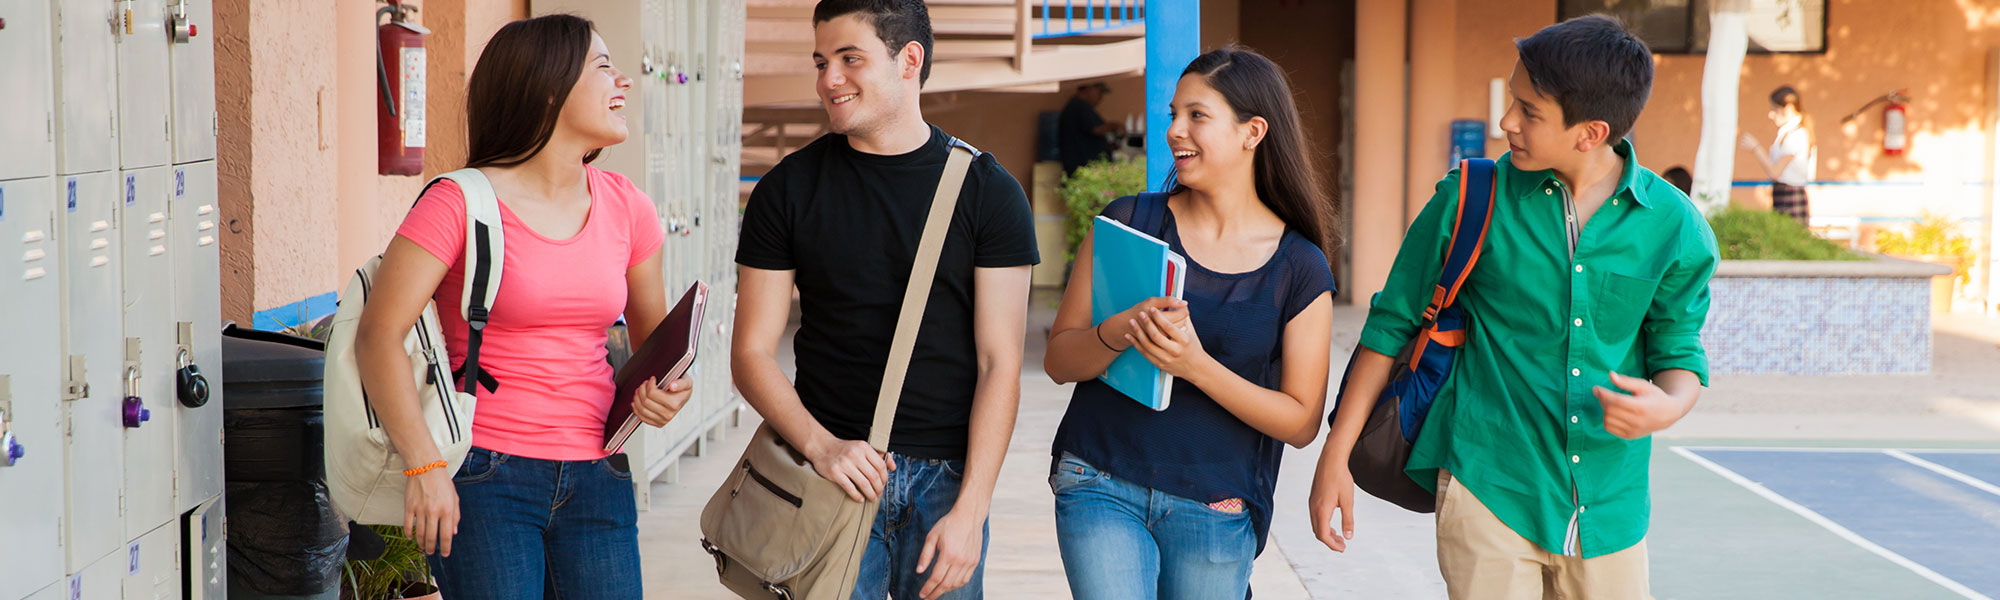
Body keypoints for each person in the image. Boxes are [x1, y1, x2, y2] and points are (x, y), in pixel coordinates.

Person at [1309, 16, 1718, 600]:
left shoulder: (1677, 229)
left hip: (1610, 498)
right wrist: (1336, 456)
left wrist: (1669, 405)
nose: (1506, 123)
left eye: (1529, 112)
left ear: (1590, 132)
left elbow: (1678, 348)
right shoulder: (1470, 197)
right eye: (1511, 102)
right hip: (1487, 480)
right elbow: (1390, 324)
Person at [356, 14, 691, 600]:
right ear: (547, 88)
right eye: (603, 66)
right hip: (485, 475)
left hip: (598, 473)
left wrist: (661, 394)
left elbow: (654, 348)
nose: (624, 82)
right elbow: (378, 336)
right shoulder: (459, 200)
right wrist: (424, 465)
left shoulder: (628, 208)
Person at [729, 1, 1039, 598]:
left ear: (909, 60)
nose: (828, 80)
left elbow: (1000, 364)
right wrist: (820, 447)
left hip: (947, 483)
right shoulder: (786, 190)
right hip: (826, 476)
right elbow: (751, 353)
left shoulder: (989, 192)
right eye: (821, 62)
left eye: (850, 59)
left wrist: (971, 511)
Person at [1042, 46, 1336, 599]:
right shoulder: (1129, 221)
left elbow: (1300, 422)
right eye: (1174, 114)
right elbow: (1059, 360)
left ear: (1253, 132)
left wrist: (1195, 366)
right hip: (1099, 480)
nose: (1175, 130)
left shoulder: (1299, 267)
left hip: (1216, 506)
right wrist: (1118, 330)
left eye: (1197, 116)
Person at [1741, 85, 1817, 226]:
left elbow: (1776, 172)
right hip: (1782, 195)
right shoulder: (1787, 133)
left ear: (1787, 109)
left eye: (1775, 110)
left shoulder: (1797, 135)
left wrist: (1756, 148)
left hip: (1791, 196)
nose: (1771, 115)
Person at [1059, 81, 1126, 174]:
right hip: (1084, 168)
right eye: (1099, 92)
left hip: (1088, 168)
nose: (1101, 97)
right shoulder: (1079, 106)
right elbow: (1096, 129)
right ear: (1090, 88)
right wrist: (1115, 126)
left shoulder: (1079, 106)